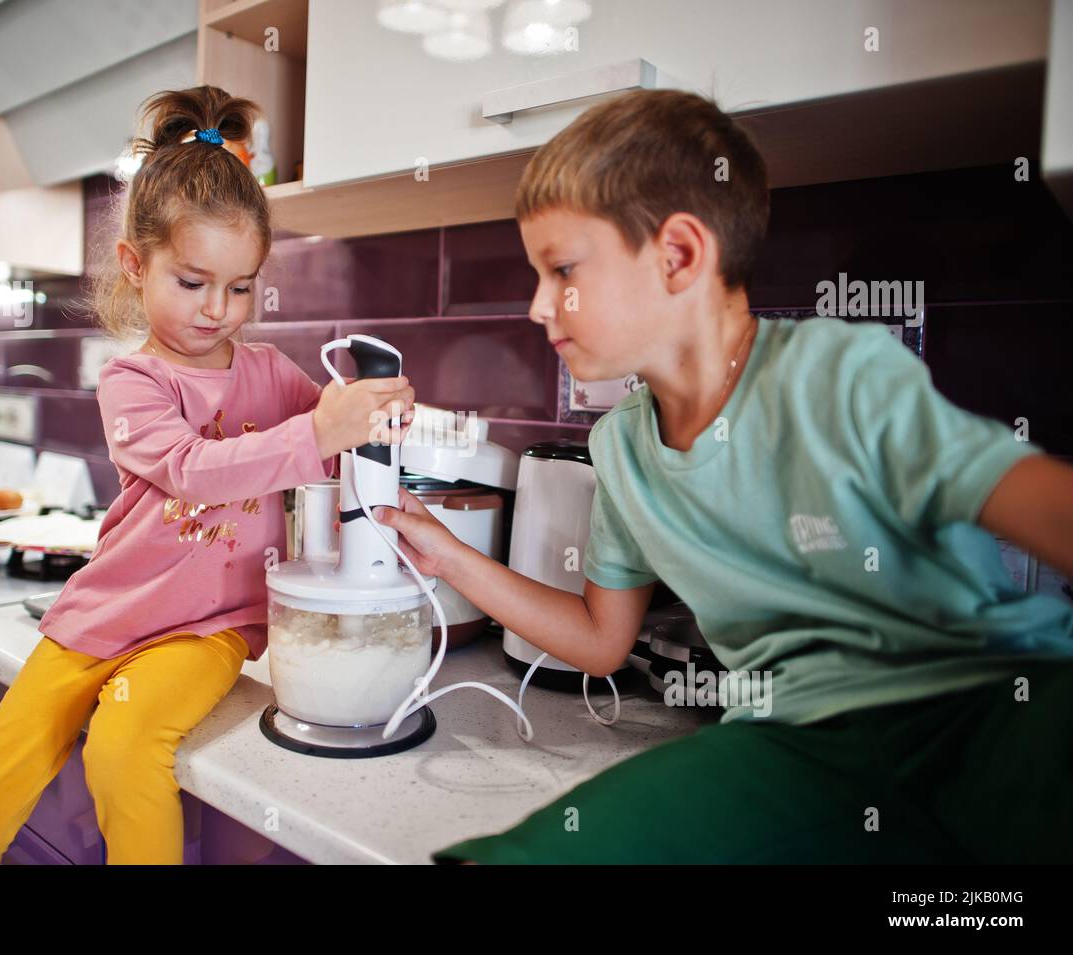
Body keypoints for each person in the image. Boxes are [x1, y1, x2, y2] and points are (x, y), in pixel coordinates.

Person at [372, 88, 1073, 864]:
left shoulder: (834, 375)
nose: (539, 305)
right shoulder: (624, 449)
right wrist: (447, 554)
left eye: (561, 268)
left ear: (678, 255)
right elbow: (602, 643)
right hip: (793, 743)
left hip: (997, 706)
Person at [0, 86, 414, 864]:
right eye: (192, 282)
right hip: (103, 610)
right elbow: (191, 470)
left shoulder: (274, 373)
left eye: (242, 286)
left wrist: (376, 415)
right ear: (135, 265)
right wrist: (318, 426)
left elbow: (330, 446)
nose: (219, 308)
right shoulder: (133, 379)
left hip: (208, 626)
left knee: (121, 751)